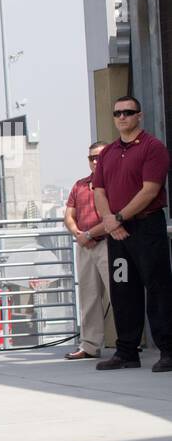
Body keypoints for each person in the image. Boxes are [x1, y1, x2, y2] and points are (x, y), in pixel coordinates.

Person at [85, 96, 172, 372]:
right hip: (118, 233)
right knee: (123, 291)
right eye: (117, 113)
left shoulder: (153, 148)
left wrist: (120, 217)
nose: (122, 117)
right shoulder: (108, 153)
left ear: (139, 115)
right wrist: (111, 222)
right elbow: (98, 191)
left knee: (157, 289)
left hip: (147, 228)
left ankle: (168, 351)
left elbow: (149, 190)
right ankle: (126, 353)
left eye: (128, 112)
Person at [64, 142, 112, 360]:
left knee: (119, 295)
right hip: (85, 246)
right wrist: (79, 235)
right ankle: (90, 346)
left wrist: (90, 234)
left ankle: (128, 344)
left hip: (108, 243)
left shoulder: (115, 183)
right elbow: (69, 216)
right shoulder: (80, 185)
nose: (95, 161)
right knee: (88, 297)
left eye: (99, 157)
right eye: (92, 157)